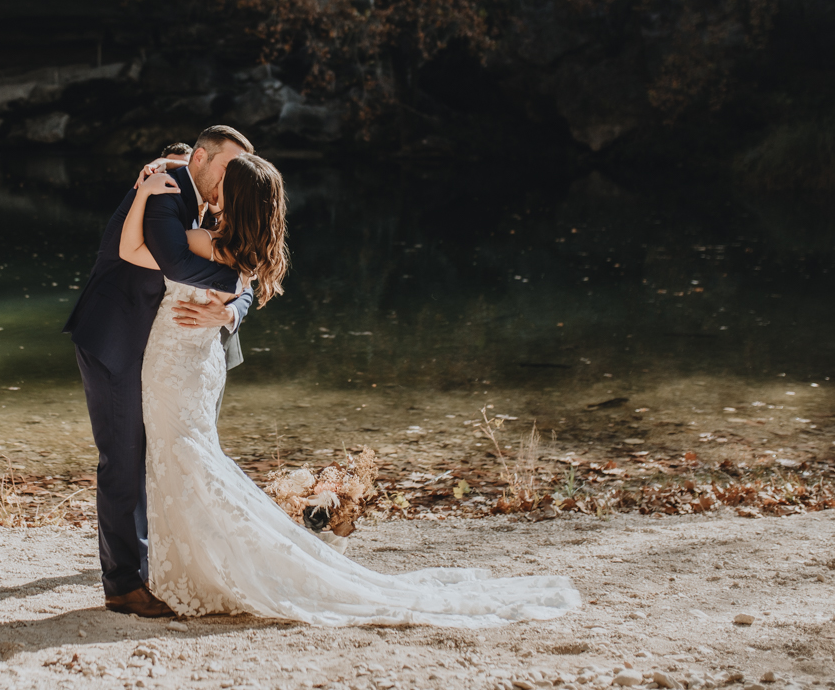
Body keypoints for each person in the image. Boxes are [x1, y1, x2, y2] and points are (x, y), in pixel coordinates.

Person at [119, 153, 582, 626]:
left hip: (174, 367)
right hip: (197, 365)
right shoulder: (245, 254)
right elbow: (214, 278)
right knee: (192, 462)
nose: (213, 190)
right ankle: (202, 568)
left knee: (181, 462)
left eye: (223, 186)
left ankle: (199, 572)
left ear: (233, 200)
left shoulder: (199, 242)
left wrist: (142, 196)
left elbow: (133, 252)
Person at [63, 125, 256, 618]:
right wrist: (233, 282)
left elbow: (248, 257)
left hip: (166, 352)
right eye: (227, 168)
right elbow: (173, 262)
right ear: (200, 158)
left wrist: (232, 307)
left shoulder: (201, 200)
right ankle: (124, 585)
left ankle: (148, 569)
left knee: (166, 456)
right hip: (119, 339)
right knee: (124, 459)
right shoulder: (164, 192)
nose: (231, 180)